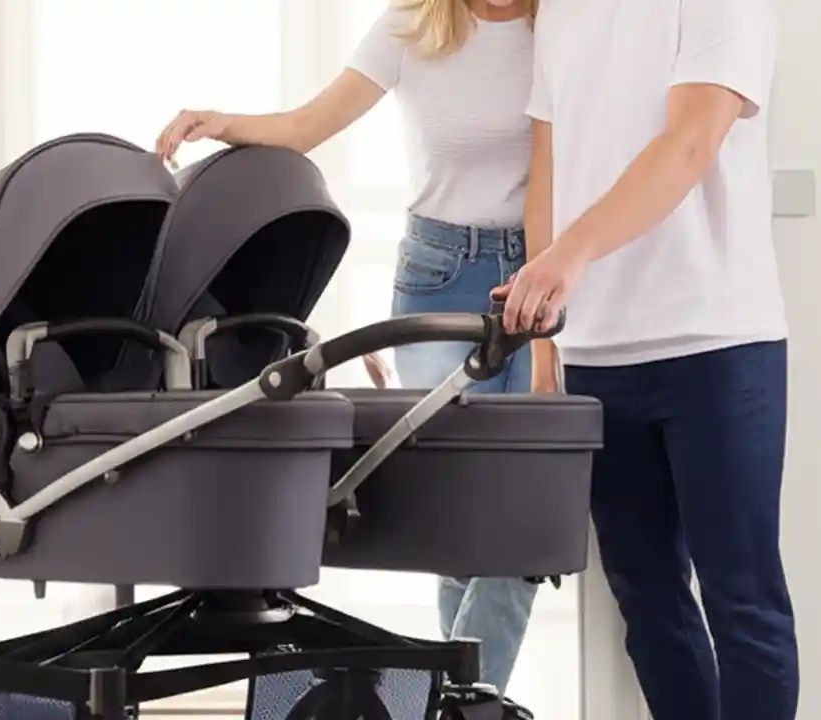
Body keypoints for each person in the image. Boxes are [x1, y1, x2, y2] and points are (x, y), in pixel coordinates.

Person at [156, 0, 542, 694]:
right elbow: (308, 124)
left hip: (543, 268)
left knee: (520, 528)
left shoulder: (565, 29)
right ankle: (466, 701)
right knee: (459, 530)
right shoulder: (412, 27)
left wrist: (549, 305)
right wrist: (222, 124)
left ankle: (456, 701)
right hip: (442, 277)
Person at [501, 1, 799, 718]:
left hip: (718, 339)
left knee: (743, 600)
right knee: (646, 598)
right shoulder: (560, 13)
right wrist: (548, 348)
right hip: (595, 349)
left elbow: (692, 141)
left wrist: (572, 252)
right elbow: (549, 166)